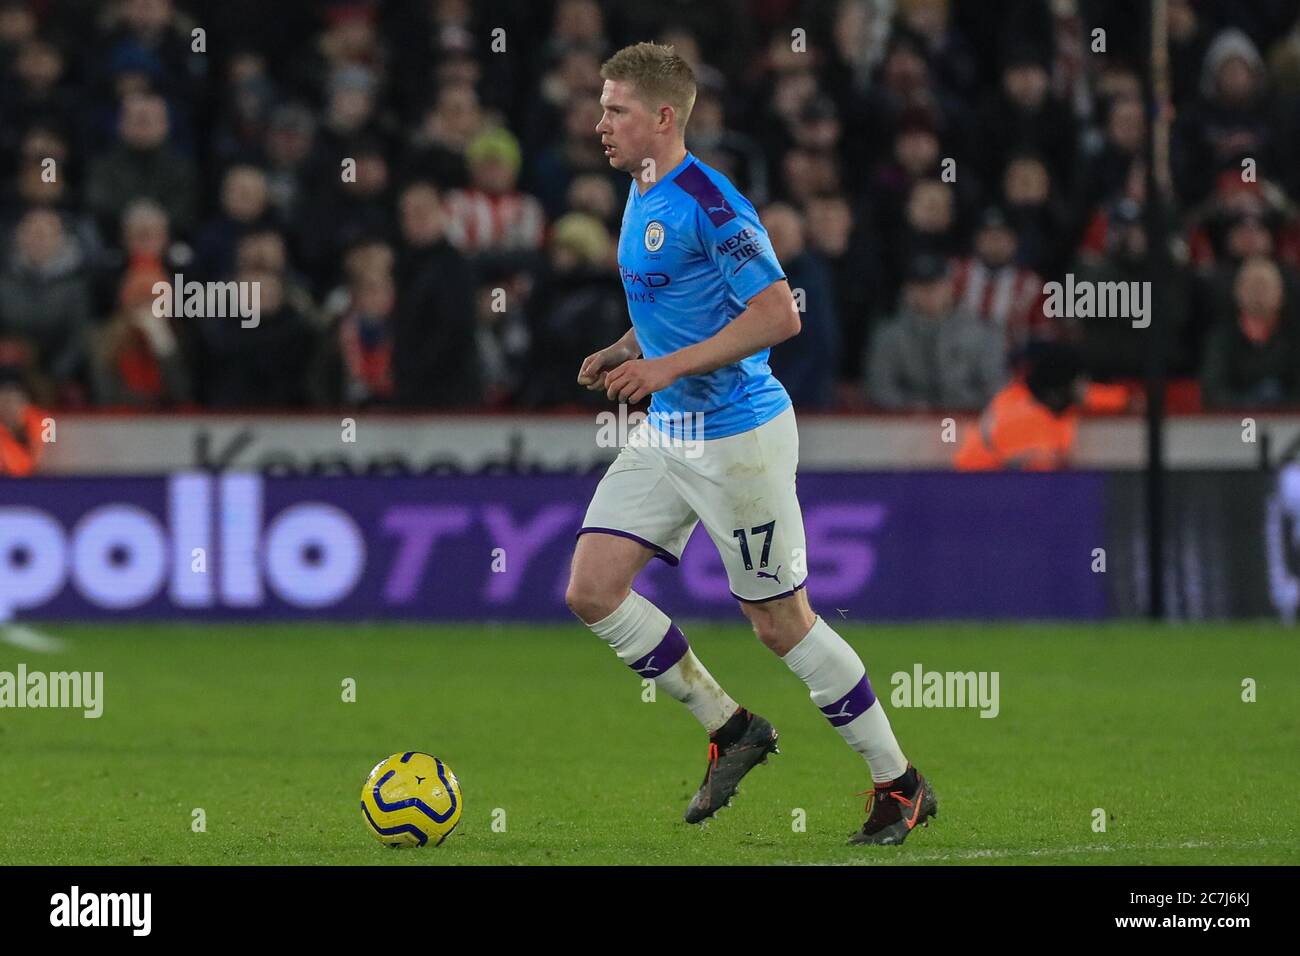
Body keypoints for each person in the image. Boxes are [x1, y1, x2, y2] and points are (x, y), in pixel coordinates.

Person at [570, 42, 935, 845]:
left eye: (616, 109)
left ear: (664, 117)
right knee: (593, 590)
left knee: (779, 623)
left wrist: (664, 364)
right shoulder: (640, 190)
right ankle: (734, 730)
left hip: (739, 436)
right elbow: (683, 299)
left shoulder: (709, 199)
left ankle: (898, 783)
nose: (600, 124)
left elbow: (777, 313)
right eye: (602, 106)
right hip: (672, 430)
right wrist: (630, 348)